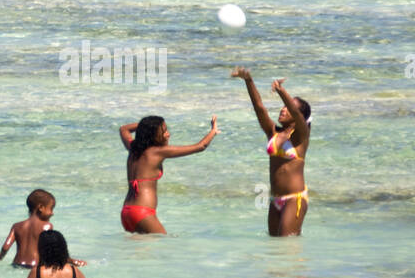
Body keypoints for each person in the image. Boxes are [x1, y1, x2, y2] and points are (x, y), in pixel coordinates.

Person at [233, 68, 311, 236]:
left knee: (286, 248)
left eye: (288, 108)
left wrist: (281, 91)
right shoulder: (273, 132)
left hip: (294, 198)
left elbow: (297, 114)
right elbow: (259, 108)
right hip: (275, 200)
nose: (283, 109)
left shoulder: (301, 137)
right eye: (283, 107)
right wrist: (248, 80)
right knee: (275, 249)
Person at [118, 114, 217, 233]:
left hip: (126, 212)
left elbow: (124, 129)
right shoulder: (158, 152)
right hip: (143, 213)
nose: (168, 134)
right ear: (153, 134)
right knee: (165, 247)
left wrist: (147, 126)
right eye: (164, 131)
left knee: (139, 250)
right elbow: (201, 146)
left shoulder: (133, 149)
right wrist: (213, 131)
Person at [0, 189, 56, 267]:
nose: (52, 213)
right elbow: (52, 249)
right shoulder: (47, 226)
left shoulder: (16, 226)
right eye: (51, 209)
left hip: (16, 264)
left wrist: (0, 257)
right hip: (34, 265)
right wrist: (68, 260)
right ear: (41, 207)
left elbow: (5, 247)